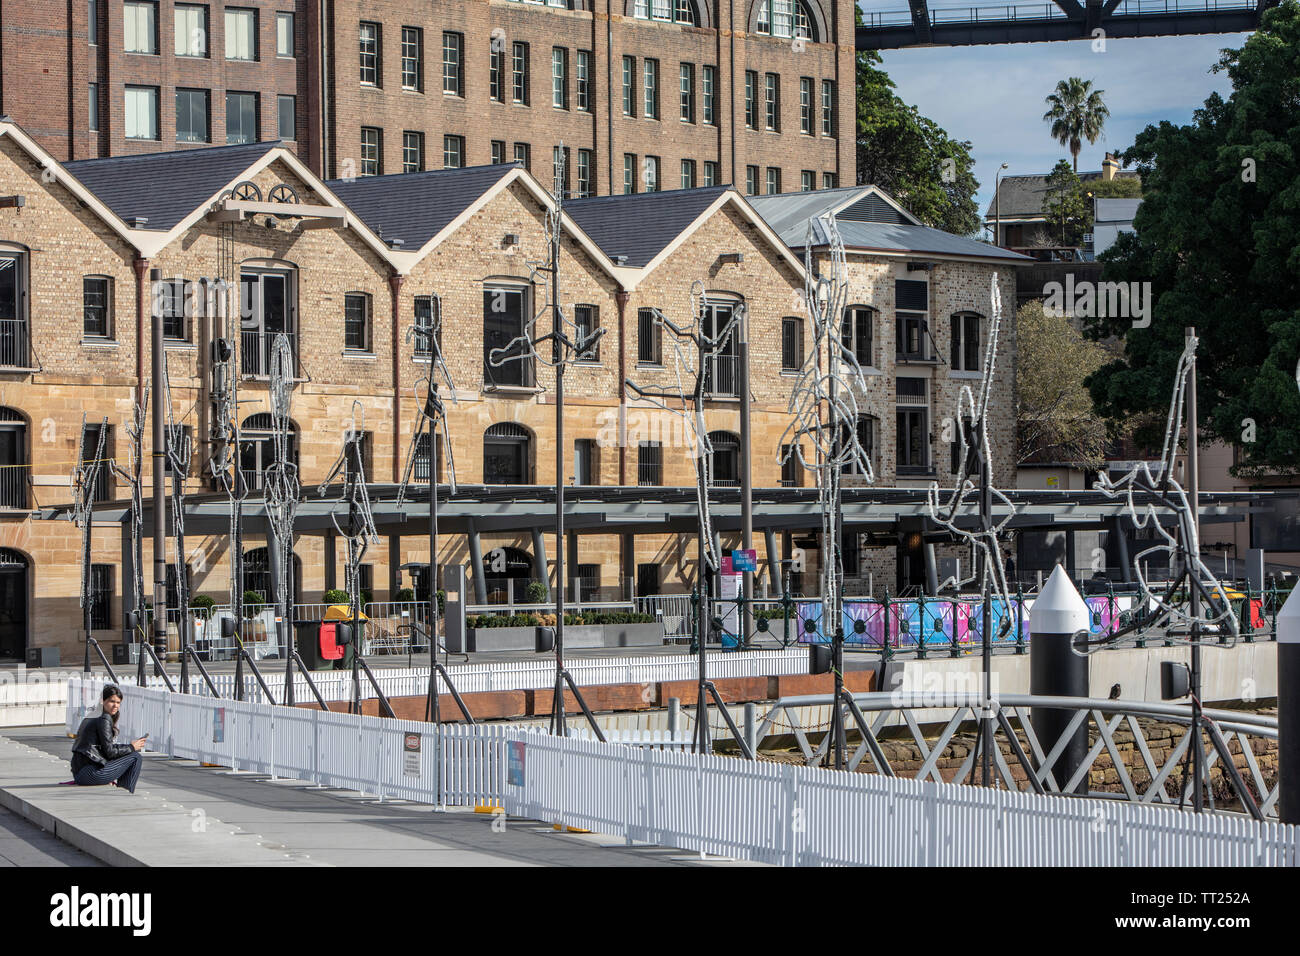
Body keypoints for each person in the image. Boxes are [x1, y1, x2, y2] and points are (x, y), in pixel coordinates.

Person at [70, 685, 147, 793]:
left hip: (80, 772)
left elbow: (105, 748)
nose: (115, 706)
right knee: (135, 757)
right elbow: (110, 752)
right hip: (90, 773)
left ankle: (123, 792)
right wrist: (132, 747)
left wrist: (129, 747)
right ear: (102, 701)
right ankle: (126, 794)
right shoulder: (103, 718)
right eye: (112, 701)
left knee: (130, 754)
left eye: (118, 702)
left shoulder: (93, 715)